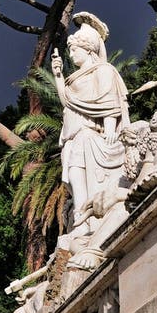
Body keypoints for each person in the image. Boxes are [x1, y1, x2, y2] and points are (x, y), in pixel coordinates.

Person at [51, 12, 129, 233]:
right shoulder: (74, 78)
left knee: (78, 159)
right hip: (73, 135)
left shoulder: (104, 71)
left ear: (88, 50)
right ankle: (80, 216)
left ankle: (83, 217)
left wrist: (111, 129)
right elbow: (68, 100)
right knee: (73, 168)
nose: (71, 53)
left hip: (90, 135)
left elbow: (109, 100)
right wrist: (57, 75)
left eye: (74, 49)